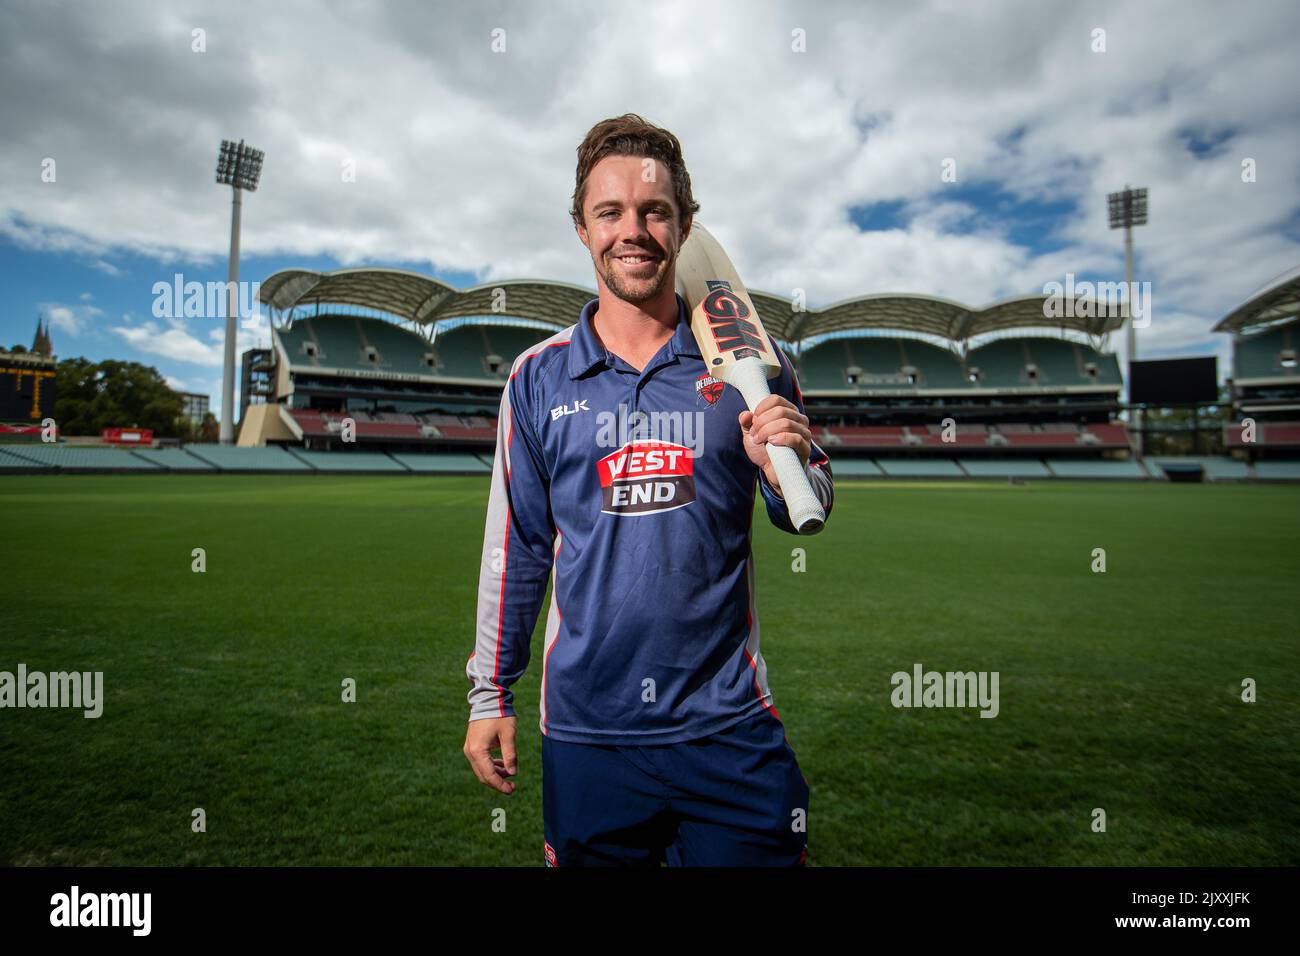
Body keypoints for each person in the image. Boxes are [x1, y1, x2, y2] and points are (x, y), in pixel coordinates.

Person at [462, 113, 834, 866]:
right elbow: (520, 548)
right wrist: (490, 694)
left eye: (654, 210)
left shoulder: (753, 366)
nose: (632, 230)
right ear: (581, 228)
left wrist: (783, 470)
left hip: (727, 725)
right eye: (610, 212)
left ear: (684, 224)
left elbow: (813, 498)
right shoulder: (536, 378)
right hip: (588, 733)